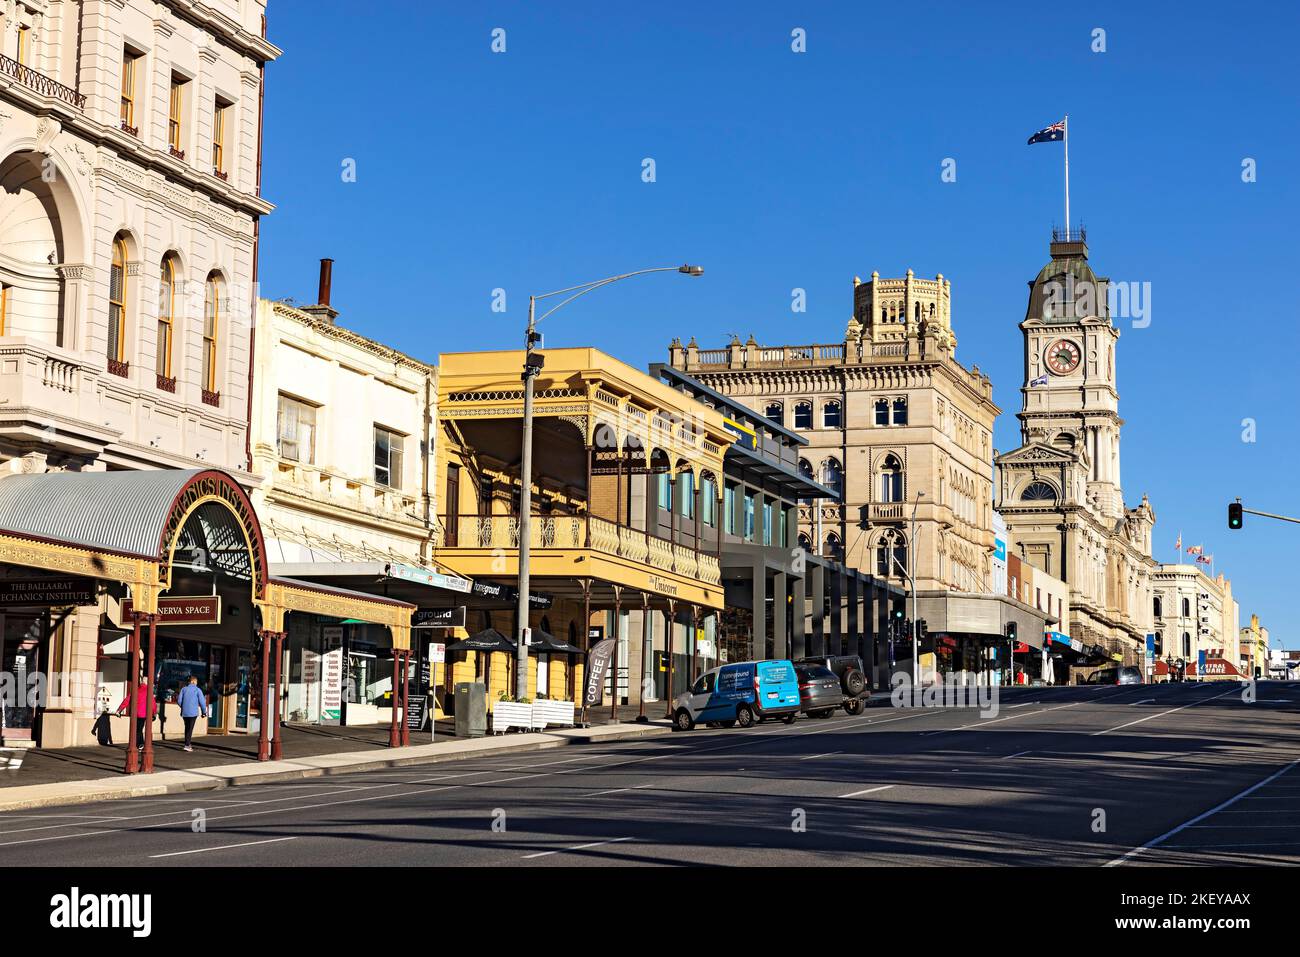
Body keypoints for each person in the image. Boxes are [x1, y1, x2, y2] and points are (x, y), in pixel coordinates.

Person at [115, 681, 157, 752]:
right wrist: (154, 713)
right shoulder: (148, 691)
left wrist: (119, 710)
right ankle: (140, 744)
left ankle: (137, 744)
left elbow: (127, 700)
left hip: (135, 714)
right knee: (139, 729)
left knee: (136, 729)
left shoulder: (135, 690)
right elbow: (153, 704)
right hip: (144, 714)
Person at [176, 676, 207, 753]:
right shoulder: (197, 690)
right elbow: (202, 703)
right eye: (196, 682)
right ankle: (187, 745)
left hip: (185, 712)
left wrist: (183, 707)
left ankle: (187, 744)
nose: (196, 683)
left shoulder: (183, 689)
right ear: (193, 682)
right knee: (190, 728)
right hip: (193, 713)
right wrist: (204, 712)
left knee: (187, 728)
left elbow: (179, 701)